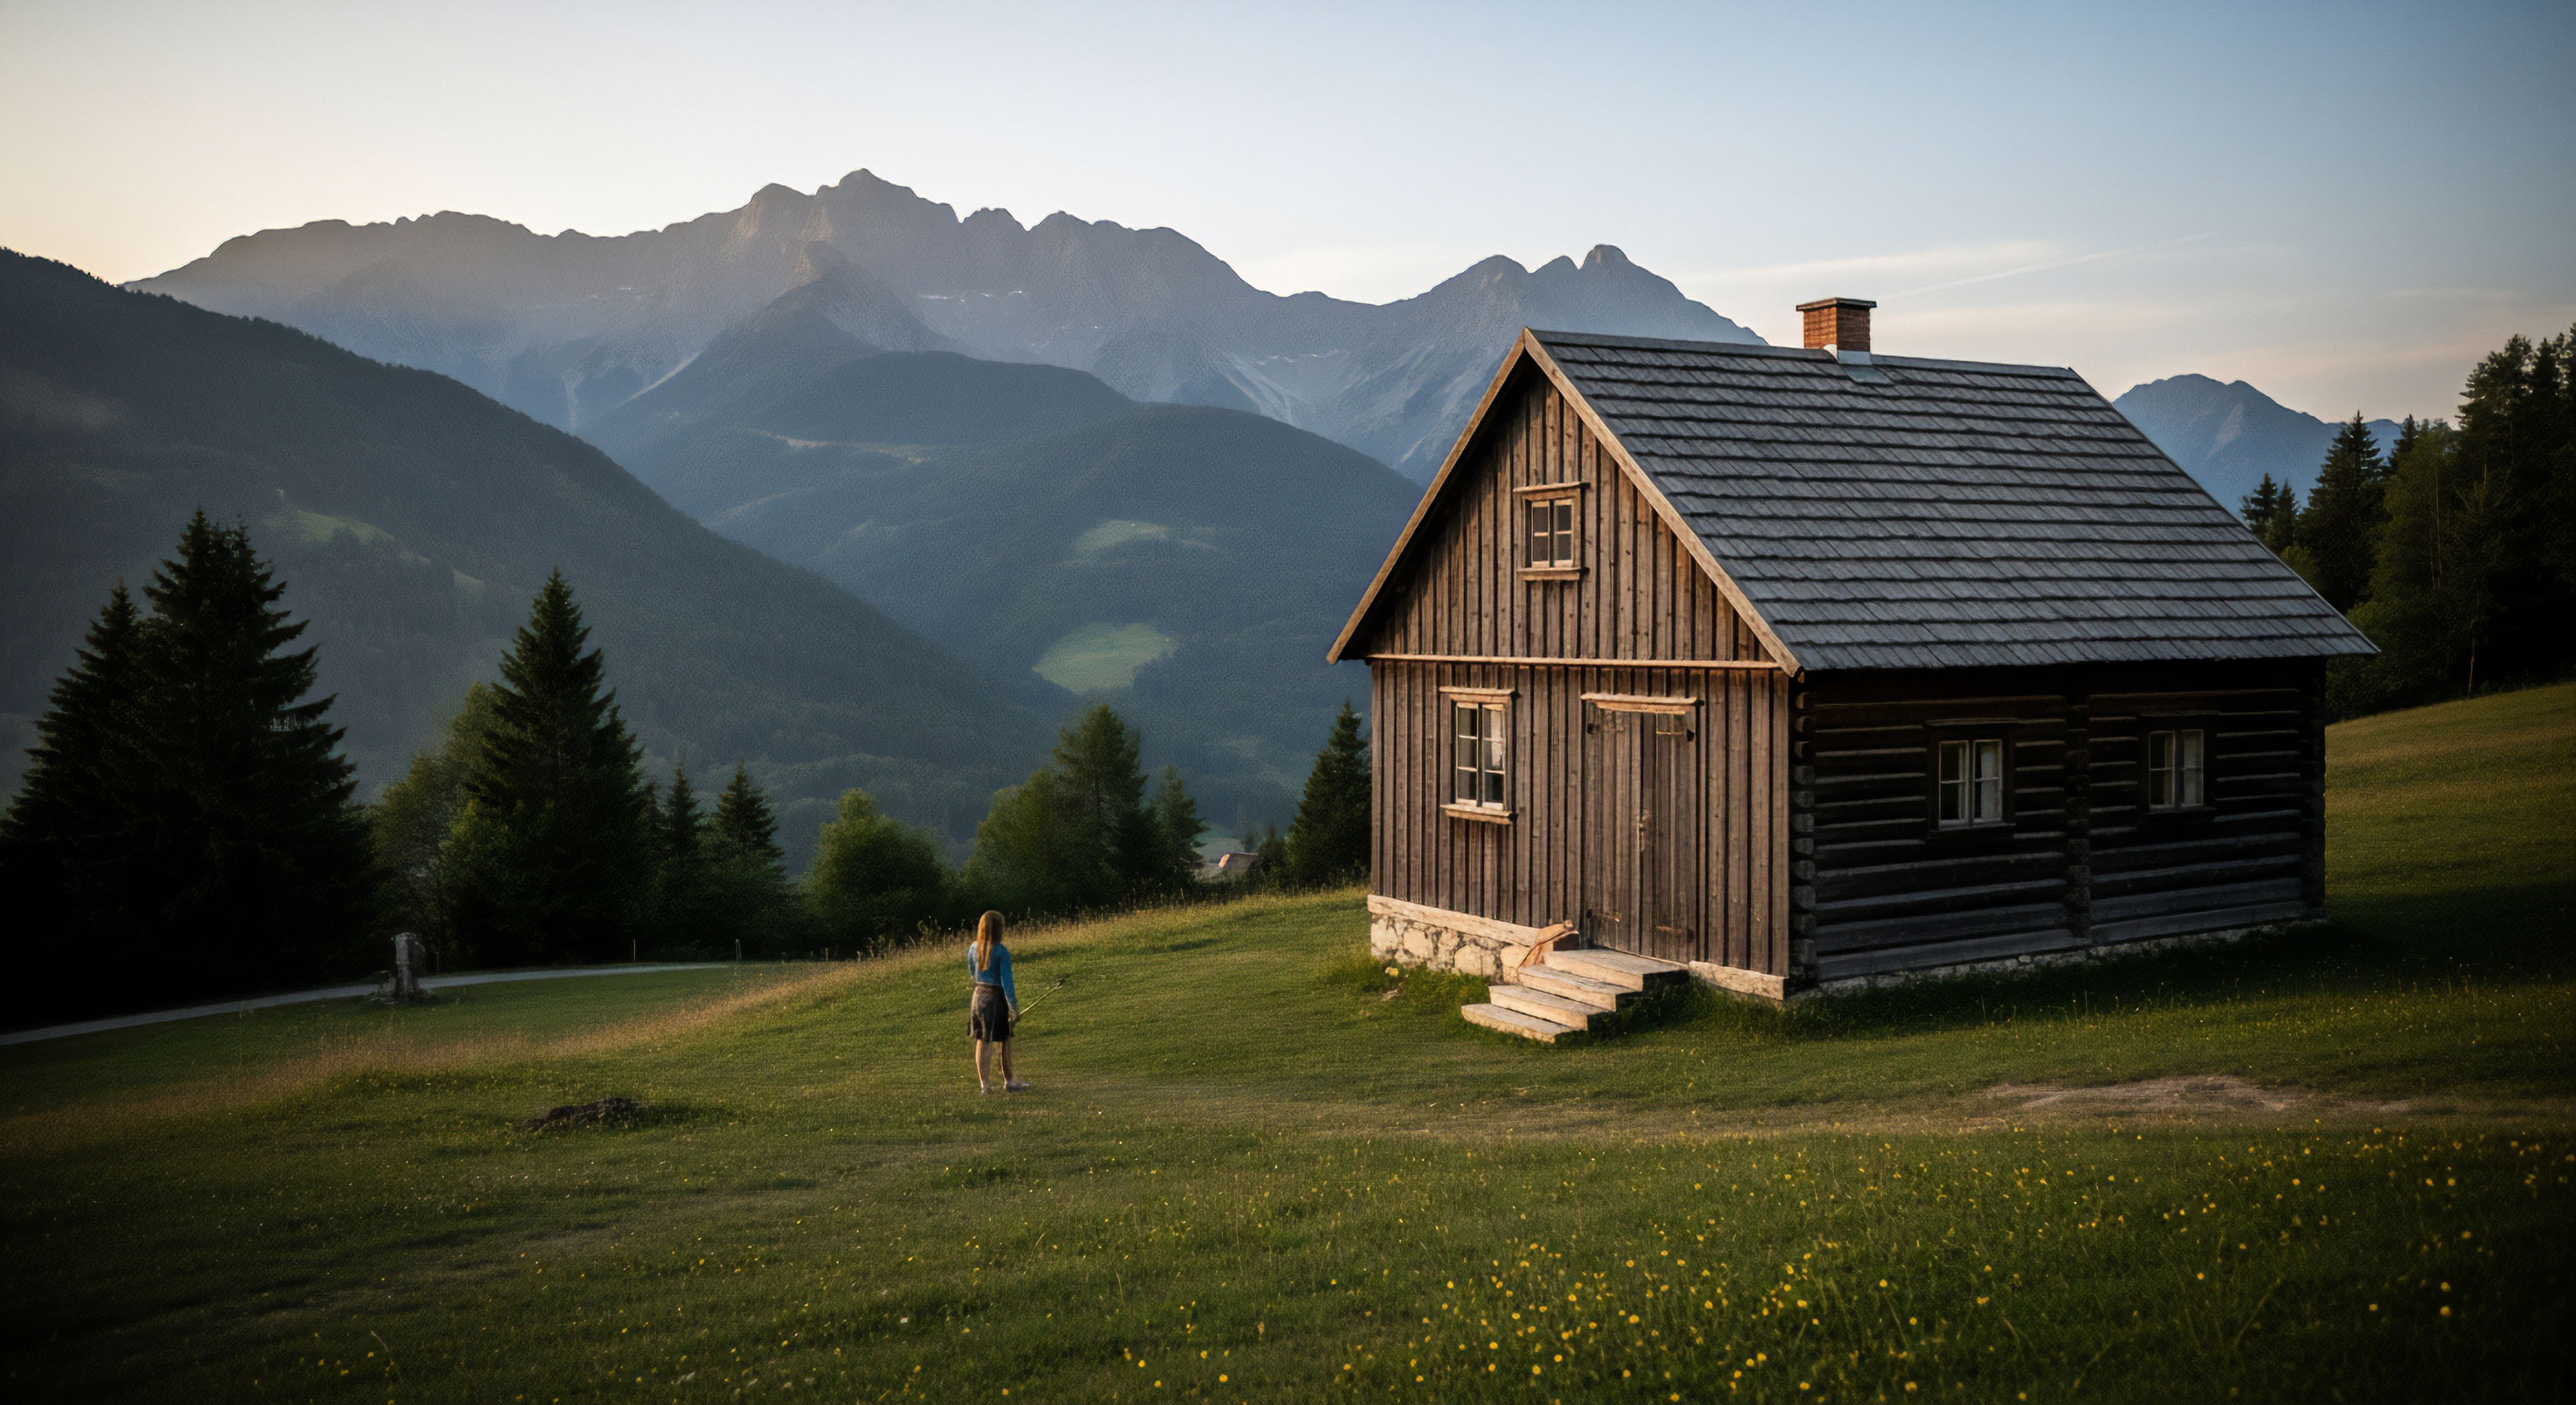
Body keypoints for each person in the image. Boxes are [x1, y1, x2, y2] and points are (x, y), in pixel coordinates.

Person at [968, 911, 1028, 1094]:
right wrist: (1014, 1008)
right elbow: (1007, 983)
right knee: (1005, 1038)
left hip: (978, 995)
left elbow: (972, 971)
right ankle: (1009, 1081)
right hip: (995, 997)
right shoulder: (1002, 952)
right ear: (999, 929)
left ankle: (984, 1086)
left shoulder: (973, 948)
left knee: (982, 1040)